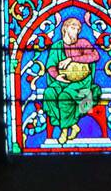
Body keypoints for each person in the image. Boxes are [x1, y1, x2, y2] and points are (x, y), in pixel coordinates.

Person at [42, 15, 101, 145]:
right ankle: (73, 126)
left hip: (81, 82)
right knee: (49, 94)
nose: (76, 31)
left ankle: (64, 131)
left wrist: (72, 59)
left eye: (78, 29)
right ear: (65, 29)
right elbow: (51, 65)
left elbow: (95, 56)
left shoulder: (83, 43)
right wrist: (57, 77)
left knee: (65, 96)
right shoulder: (57, 46)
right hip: (62, 81)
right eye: (73, 28)